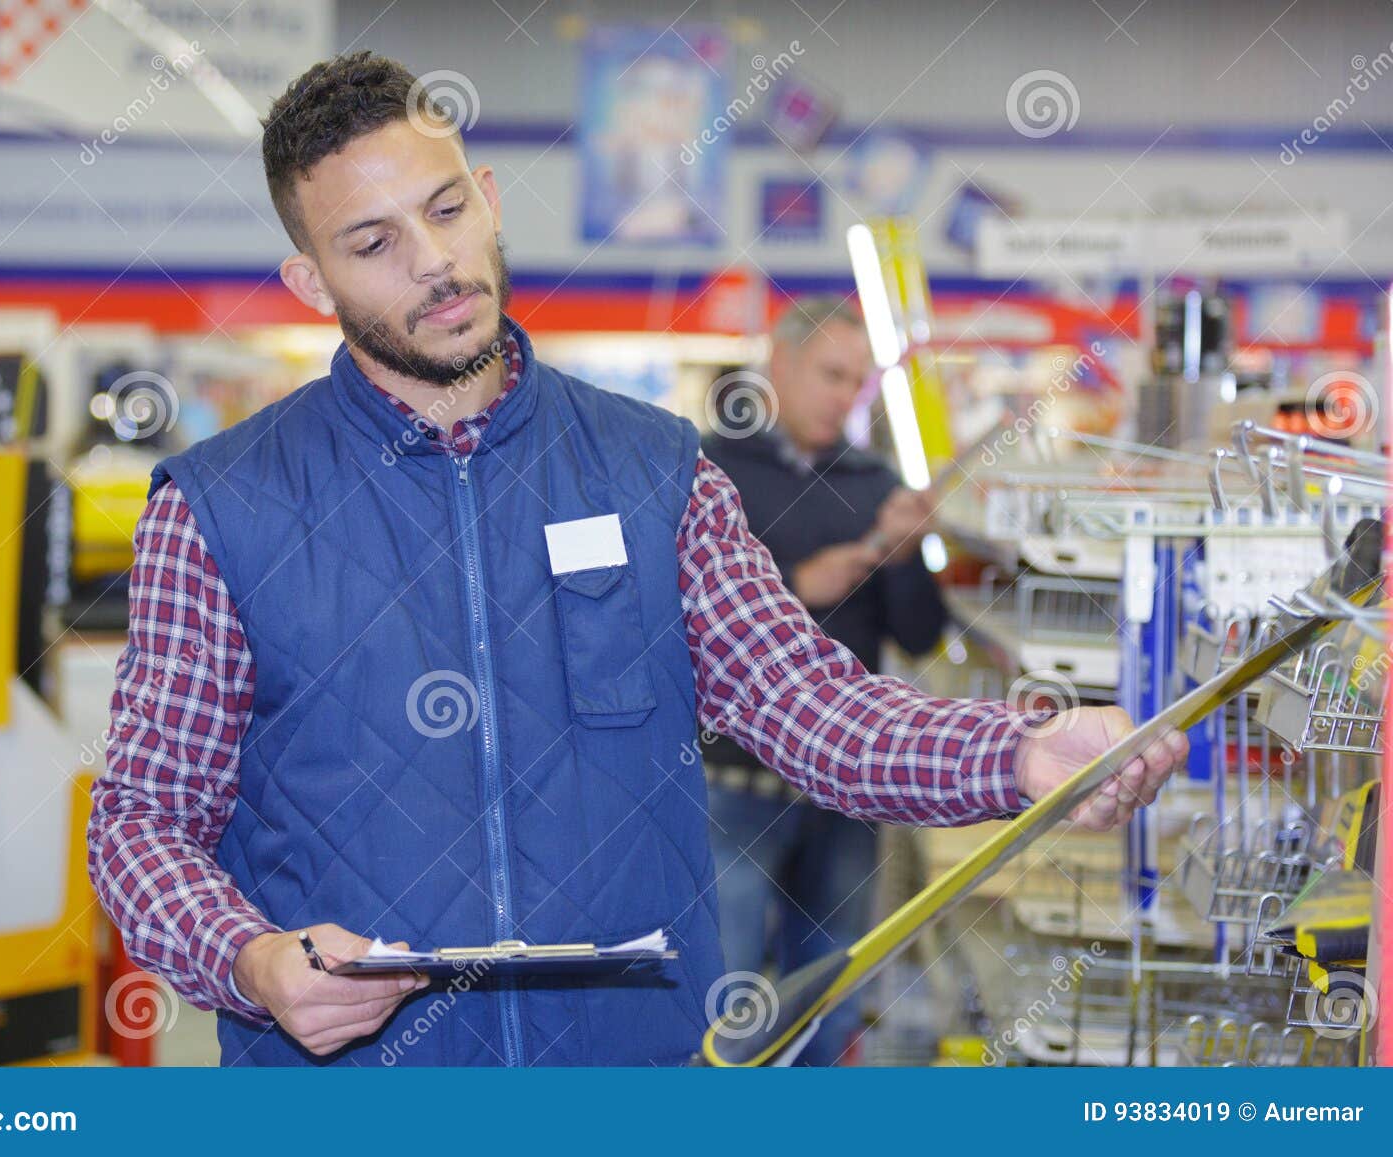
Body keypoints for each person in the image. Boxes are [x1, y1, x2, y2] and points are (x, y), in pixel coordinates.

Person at [86, 51, 1188, 1068]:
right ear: (310, 281)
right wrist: (252, 959)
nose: (435, 264)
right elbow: (141, 818)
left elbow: (811, 709)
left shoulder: (652, 468)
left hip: (626, 1065)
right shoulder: (222, 507)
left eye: (446, 208)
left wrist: (1026, 753)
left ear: (489, 199)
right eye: (373, 244)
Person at [702, 295, 946, 1066]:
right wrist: (794, 584)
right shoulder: (709, 473)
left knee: (832, 983)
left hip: (844, 785)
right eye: (831, 375)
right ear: (781, 366)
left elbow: (919, 634)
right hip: (733, 783)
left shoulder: (877, 485)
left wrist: (905, 557)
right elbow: (675, 619)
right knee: (726, 992)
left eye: (859, 384)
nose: (846, 397)